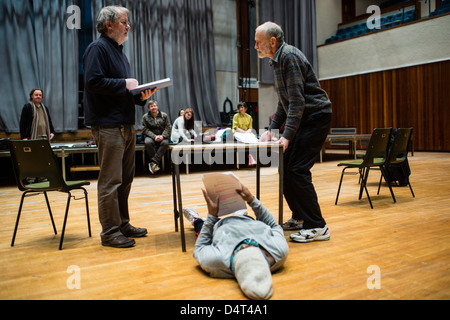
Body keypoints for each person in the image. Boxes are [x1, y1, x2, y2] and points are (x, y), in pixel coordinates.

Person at [83, 6, 157, 248]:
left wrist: (140, 96)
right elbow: (93, 82)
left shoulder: (119, 52)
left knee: (125, 180)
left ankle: (123, 223)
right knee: (110, 181)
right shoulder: (97, 48)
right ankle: (110, 231)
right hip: (108, 125)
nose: (129, 26)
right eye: (124, 22)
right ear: (109, 25)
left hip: (125, 124)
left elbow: (121, 91)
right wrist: (125, 84)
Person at [256, 22, 332, 242]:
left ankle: (318, 226)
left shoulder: (289, 57)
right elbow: (285, 102)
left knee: (297, 169)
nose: (255, 47)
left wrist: (286, 135)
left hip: (315, 116)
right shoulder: (277, 60)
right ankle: (299, 217)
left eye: (258, 42)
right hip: (304, 117)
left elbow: (297, 102)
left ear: (272, 41)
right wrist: (272, 130)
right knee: (286, 167)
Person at [183, 183, 289, 300]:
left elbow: (200, 247)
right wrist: (252, 200)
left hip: (219, 227)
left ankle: (196, 219)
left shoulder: (216, 261)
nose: (244, 244)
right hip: (248, 221)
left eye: (240, 250)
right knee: (246, 219)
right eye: (251, 246)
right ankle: (240, 214)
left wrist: (212, 215)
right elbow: (274, 225)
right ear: (266, 259)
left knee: (201, 227)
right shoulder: (279, 251)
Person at [142, 100, 171, 174]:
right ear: (149, 108)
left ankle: (153, 163)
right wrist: (154, 136)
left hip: (162, 136)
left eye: (154, 105)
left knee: (165, 143)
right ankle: (155, 164)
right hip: (150, 136)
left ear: (157, 107)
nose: (153, 107)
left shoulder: (164, 115)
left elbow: (168, 127)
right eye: (151, 106)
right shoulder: (145, 117)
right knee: (148, 143)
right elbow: (144, 129)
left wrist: (162, 136)